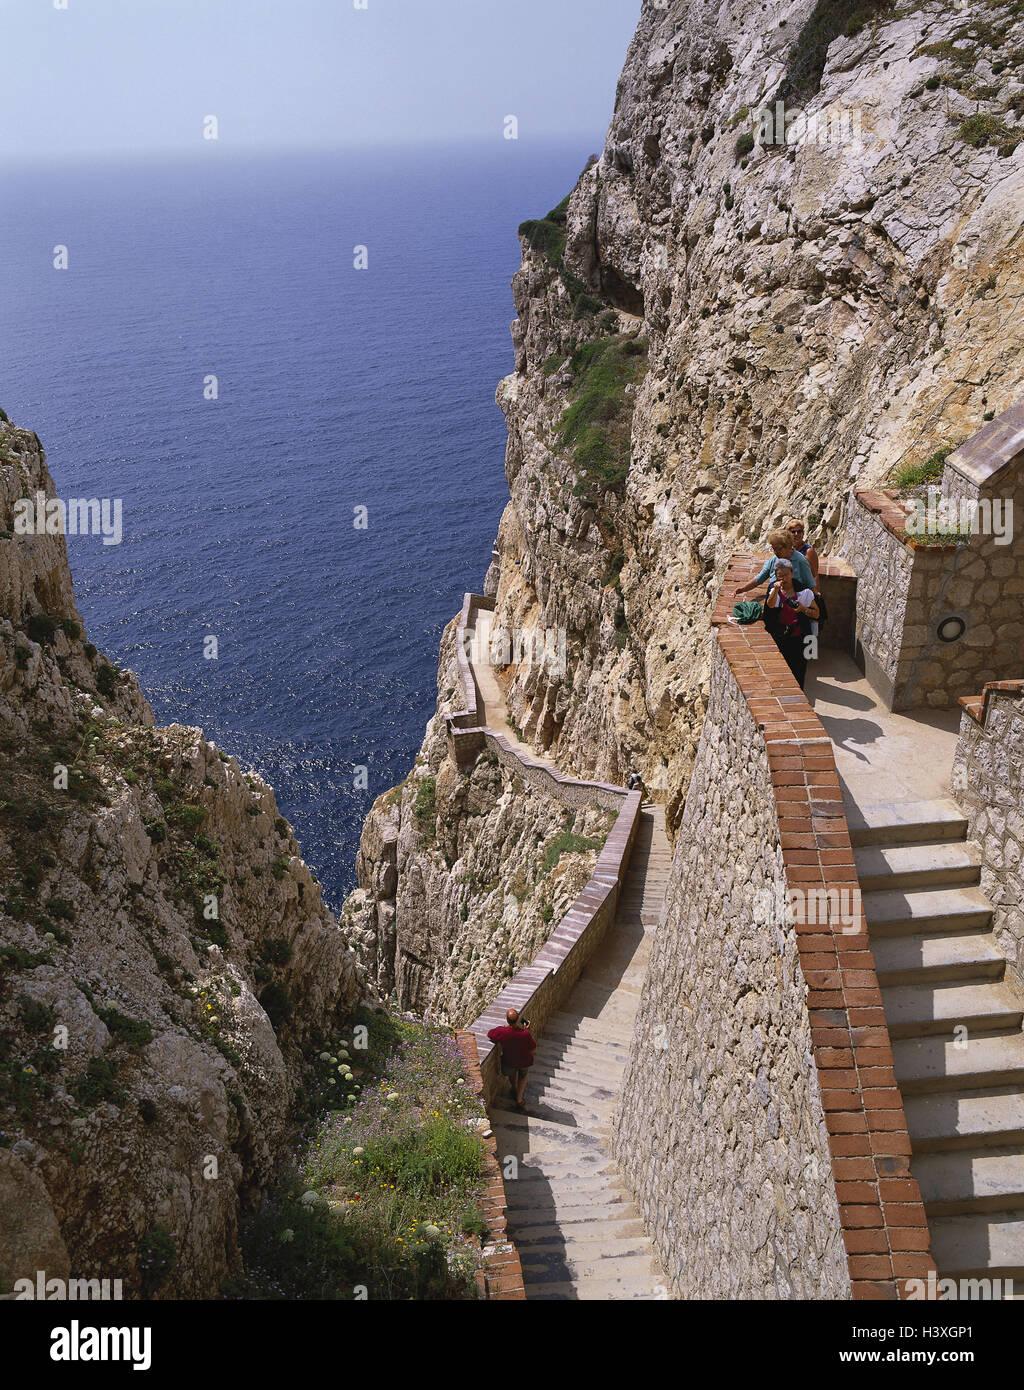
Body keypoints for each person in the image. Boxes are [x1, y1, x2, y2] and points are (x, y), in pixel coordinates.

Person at [762, 557, 819, 689]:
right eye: (779, 576)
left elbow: (817, 613)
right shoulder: (774, 590)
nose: (783, 578)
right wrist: (775, 590)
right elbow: (770, 606)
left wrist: (803, 609)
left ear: (792, 573)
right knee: (781, 670)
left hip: (800, 637)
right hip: (781, 636)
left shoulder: (804, 592)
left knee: (799, 671)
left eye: (786, 574)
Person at [734, 528, 815, 597]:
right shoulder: (774, 559)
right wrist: (742, 589)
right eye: (774, 549)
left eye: (779, 549)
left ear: (788, 546)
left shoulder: (800, 560)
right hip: (774, 598)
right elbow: (759, 578)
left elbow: (810, 584)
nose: (776, 552)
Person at [487, 1008, 537, 1111]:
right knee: (522, 1077)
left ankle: (514, 1088)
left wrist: (504, 1027)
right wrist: (526, 1030)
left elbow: (490, 1034)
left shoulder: (502, 1032)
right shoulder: (525, 1034)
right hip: (524, 1061)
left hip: (509, 1061)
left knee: (511, 1073)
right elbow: (533, 1050)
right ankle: (519, 1099)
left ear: (507, 1020)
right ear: (518, 1019)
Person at [785, 517, 820, 582]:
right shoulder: (786, 549)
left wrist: (815, 592)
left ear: (803, 533)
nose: (796, 534)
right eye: (793, 532)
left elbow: (814, 575)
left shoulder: (808, 551)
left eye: (799, 531)